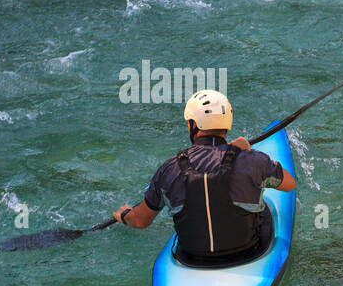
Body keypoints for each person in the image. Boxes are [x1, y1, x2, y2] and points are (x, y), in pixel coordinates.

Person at [112, 88, 295, 266]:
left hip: (192, 258)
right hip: (248, 251)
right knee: (263, 204)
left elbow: (141, 220)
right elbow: (289, 184)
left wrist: (126, 214)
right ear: (226, 124)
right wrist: (246, 153)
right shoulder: (253, 160)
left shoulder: (169, 168)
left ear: (193, 125)